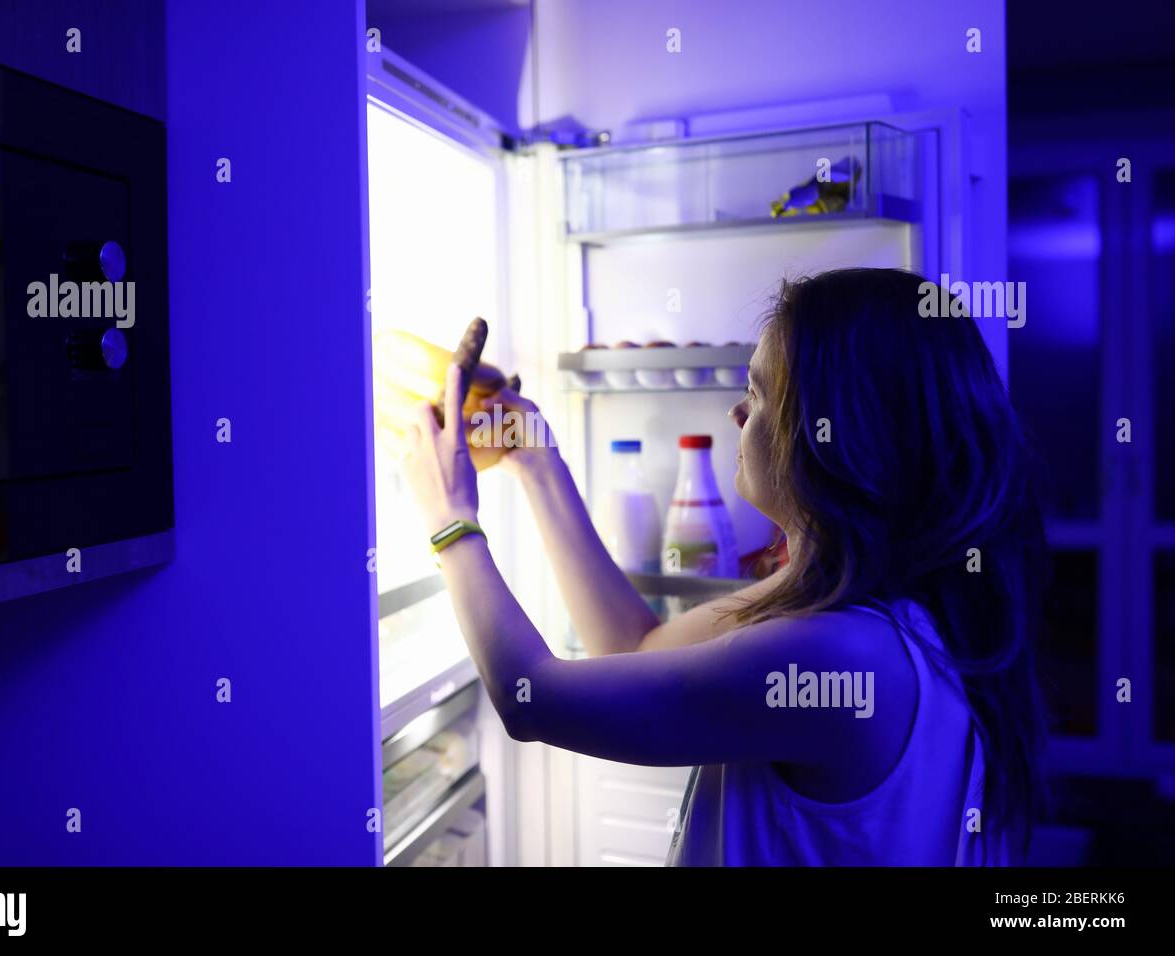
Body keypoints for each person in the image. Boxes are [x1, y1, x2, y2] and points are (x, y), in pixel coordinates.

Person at [398, 268, 1049, 866]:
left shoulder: (843, 657)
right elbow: (634, 645)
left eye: (758, 393)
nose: (737, 414)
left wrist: (451, 518)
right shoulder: (867, 610)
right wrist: (539, 465)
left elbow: (531, 698)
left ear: (839, 434)